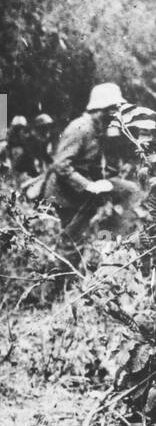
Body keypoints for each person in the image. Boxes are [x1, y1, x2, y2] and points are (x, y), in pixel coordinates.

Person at [44, 82, 140, 283]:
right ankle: (58, 287)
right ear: (100, 109)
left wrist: (105, 186)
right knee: (71, 241)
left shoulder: (98, 128)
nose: (116, 113)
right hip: (65, 193)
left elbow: (95, 164)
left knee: (130, 190)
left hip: (82, 190)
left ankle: (111, 239)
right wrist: (89, 185)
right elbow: (60, 165)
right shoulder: (80, 127)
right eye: (112, 109)